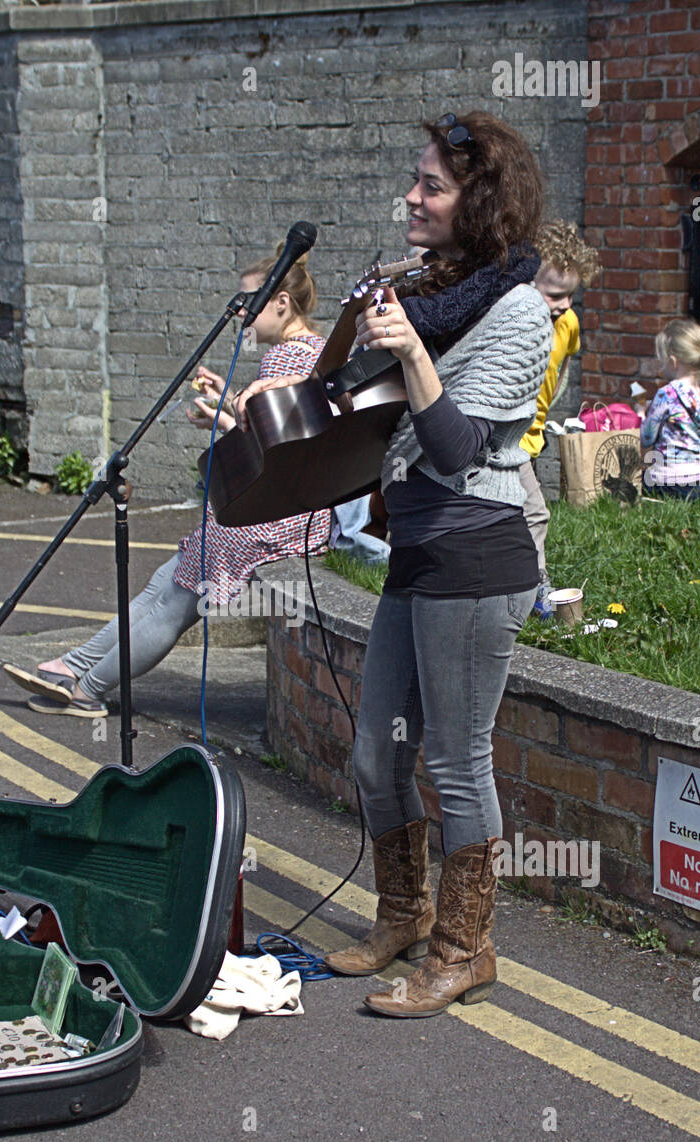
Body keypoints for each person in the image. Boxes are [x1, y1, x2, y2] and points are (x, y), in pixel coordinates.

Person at [235, 111, 551, 1017]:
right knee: (378, 754)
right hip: (418, 548)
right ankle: (404, 913)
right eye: (415, 180)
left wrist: (412, 351)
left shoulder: (519, 314)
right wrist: (262, 403)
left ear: (479, 201)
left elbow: (453, 448)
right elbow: (352, 413)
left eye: (433, 186)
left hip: (477, 551)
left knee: (455, 760)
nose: (411, 197)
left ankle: (465, 946)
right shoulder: (426, 289)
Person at [3, 248, 330, 717]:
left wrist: (226, 411)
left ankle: (88, 689)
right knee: (164, 583)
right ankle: (73, 667)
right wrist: (225, 407)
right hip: (270, 509)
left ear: (281, 303)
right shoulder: (303, 353)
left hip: (267, 517)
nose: (240, 314)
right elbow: (267, 431)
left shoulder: (288, 358)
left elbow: (273, 447)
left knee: (174, 603)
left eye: (249, 302)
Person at [522, 220, 601, 616]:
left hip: (532, 437)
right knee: (534, 512)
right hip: (507, 439)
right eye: (555, 294)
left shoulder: (566, 322)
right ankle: (537, 594)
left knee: (515, 514)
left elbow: (562, 365)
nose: (565, 303)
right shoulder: (514, 321)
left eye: (571, 294)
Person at [640, 319, 700, 501]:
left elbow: (646, 437)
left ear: (673, 362)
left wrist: (640, 413)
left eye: (661, 361)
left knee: (624, 484)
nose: (660, 366)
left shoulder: (668, 394)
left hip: (668, 481)